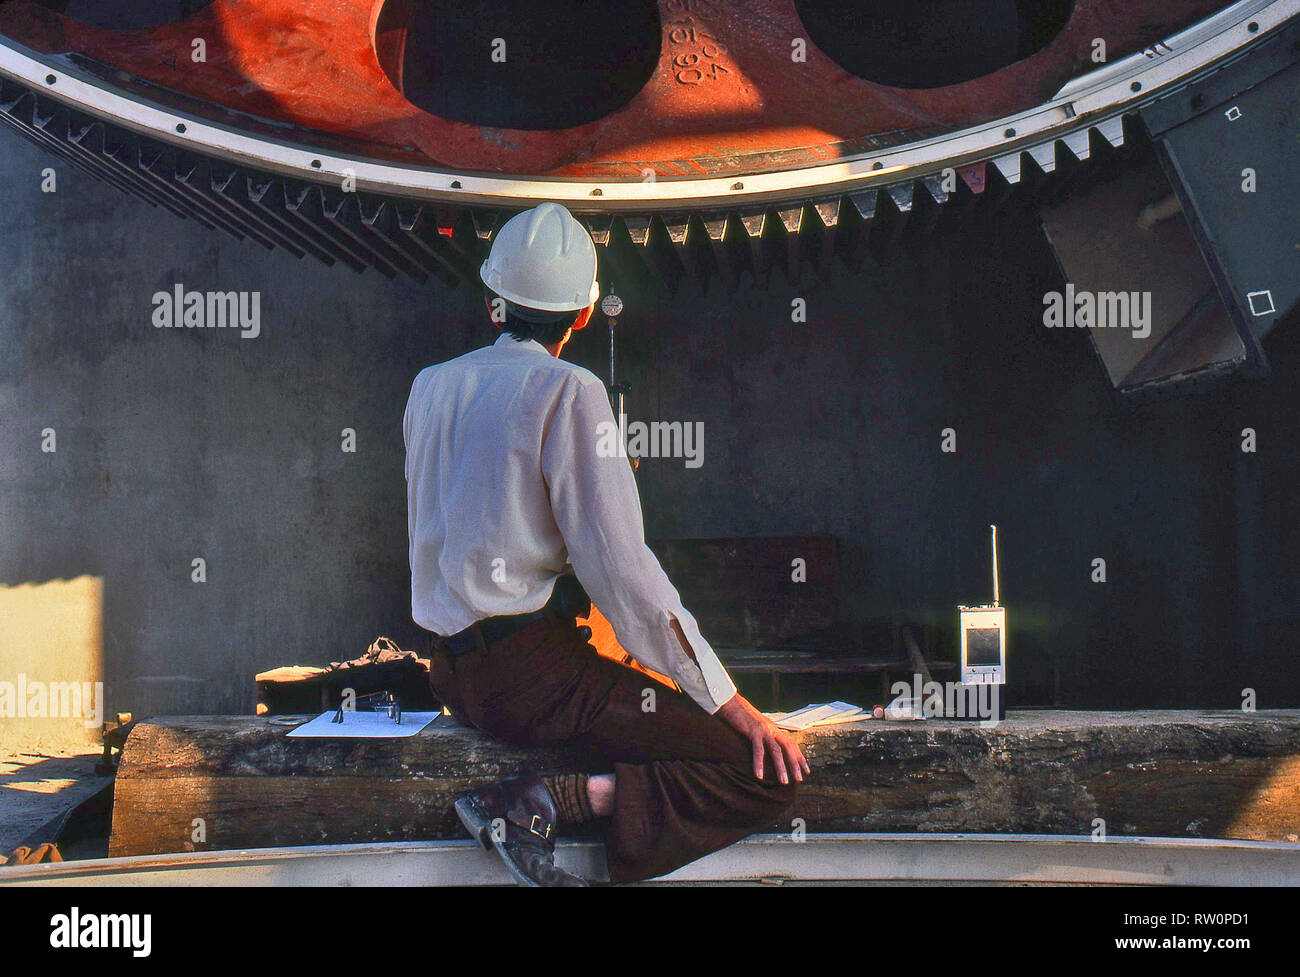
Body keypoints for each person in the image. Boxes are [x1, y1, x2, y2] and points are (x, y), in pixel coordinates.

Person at [404, 202, 809, 886]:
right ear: (584, 315)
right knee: (753, 769)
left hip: (451, 675)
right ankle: (552, 800)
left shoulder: (431, 386)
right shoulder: (570, 390)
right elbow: (623, 574)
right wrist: (731, 704)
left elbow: (458, 525)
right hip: (529, 680)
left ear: (492, 302)